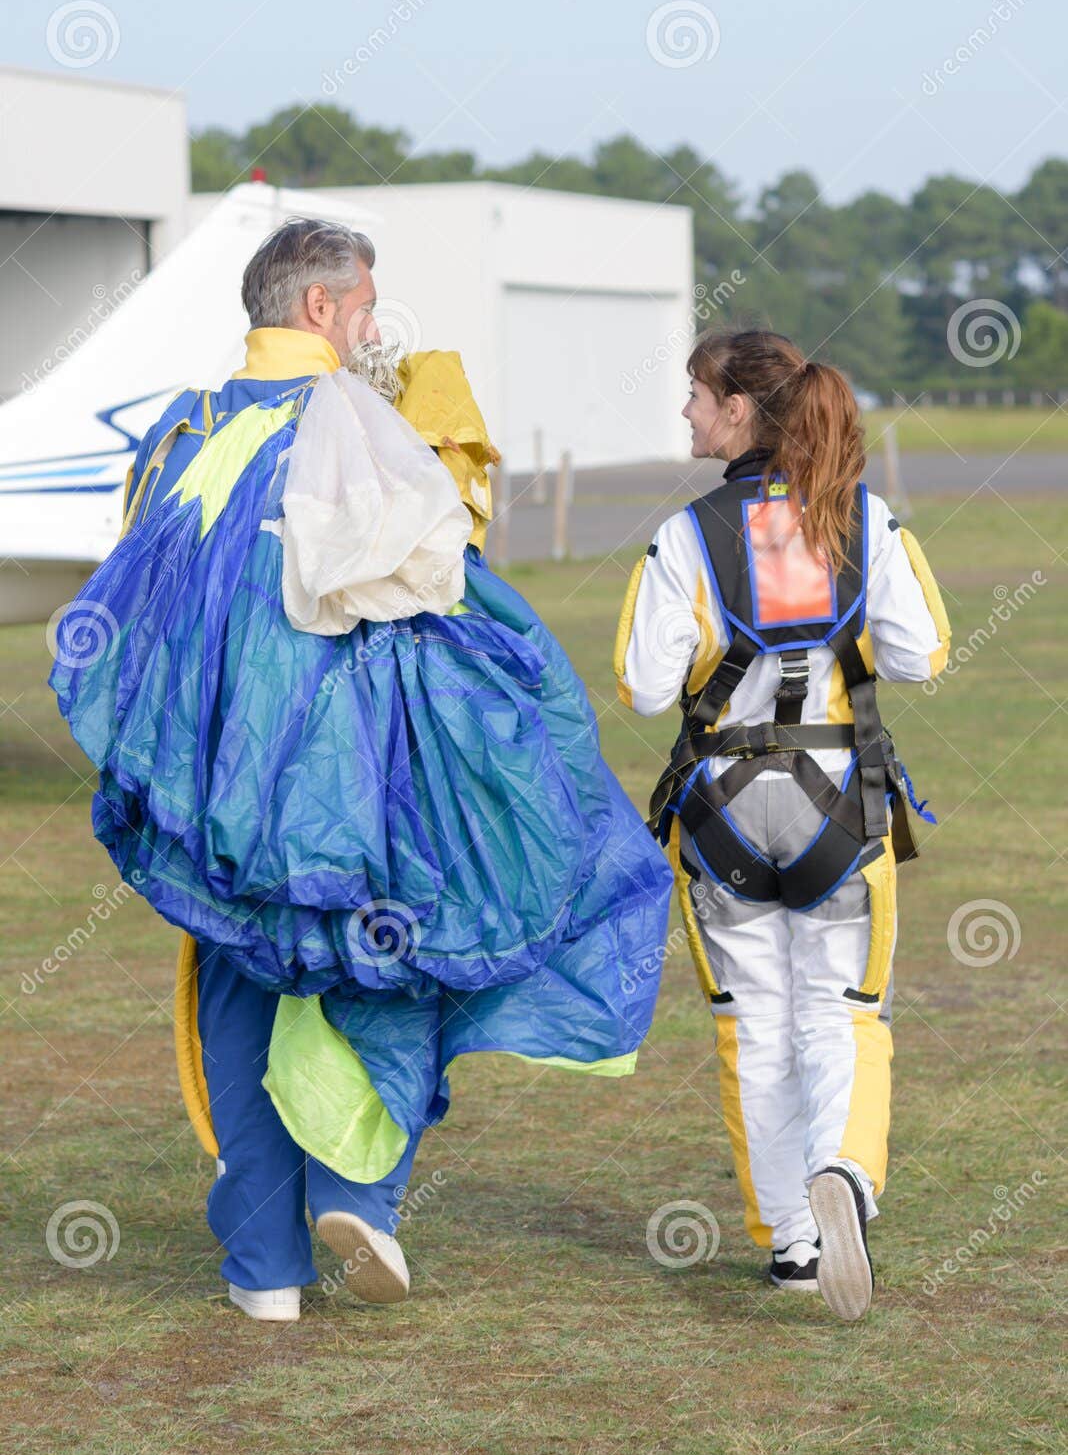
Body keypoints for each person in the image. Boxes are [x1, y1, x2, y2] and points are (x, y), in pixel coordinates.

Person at [51, 218, 673, 1323]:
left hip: (214, 786)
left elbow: (144, 583)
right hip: (359, 782)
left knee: (243, 987)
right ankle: (359, 1192)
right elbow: (443, 568)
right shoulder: (368, 424)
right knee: (395, 965)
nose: (379, 327)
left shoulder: (179, 433)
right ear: (321, 310)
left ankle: (264, 1274)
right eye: (368, 307)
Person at [614, 328, 950, 1322]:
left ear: (738, 412)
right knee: (841, 1013)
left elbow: (638, 689)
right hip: (841, 802)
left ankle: (793, 1247)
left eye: (696, 396)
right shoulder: (862, 517)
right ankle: (842, 1169)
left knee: (750, 1029)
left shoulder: (688, 534)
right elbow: (923, 655)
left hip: (718, 810)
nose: (685, 412)